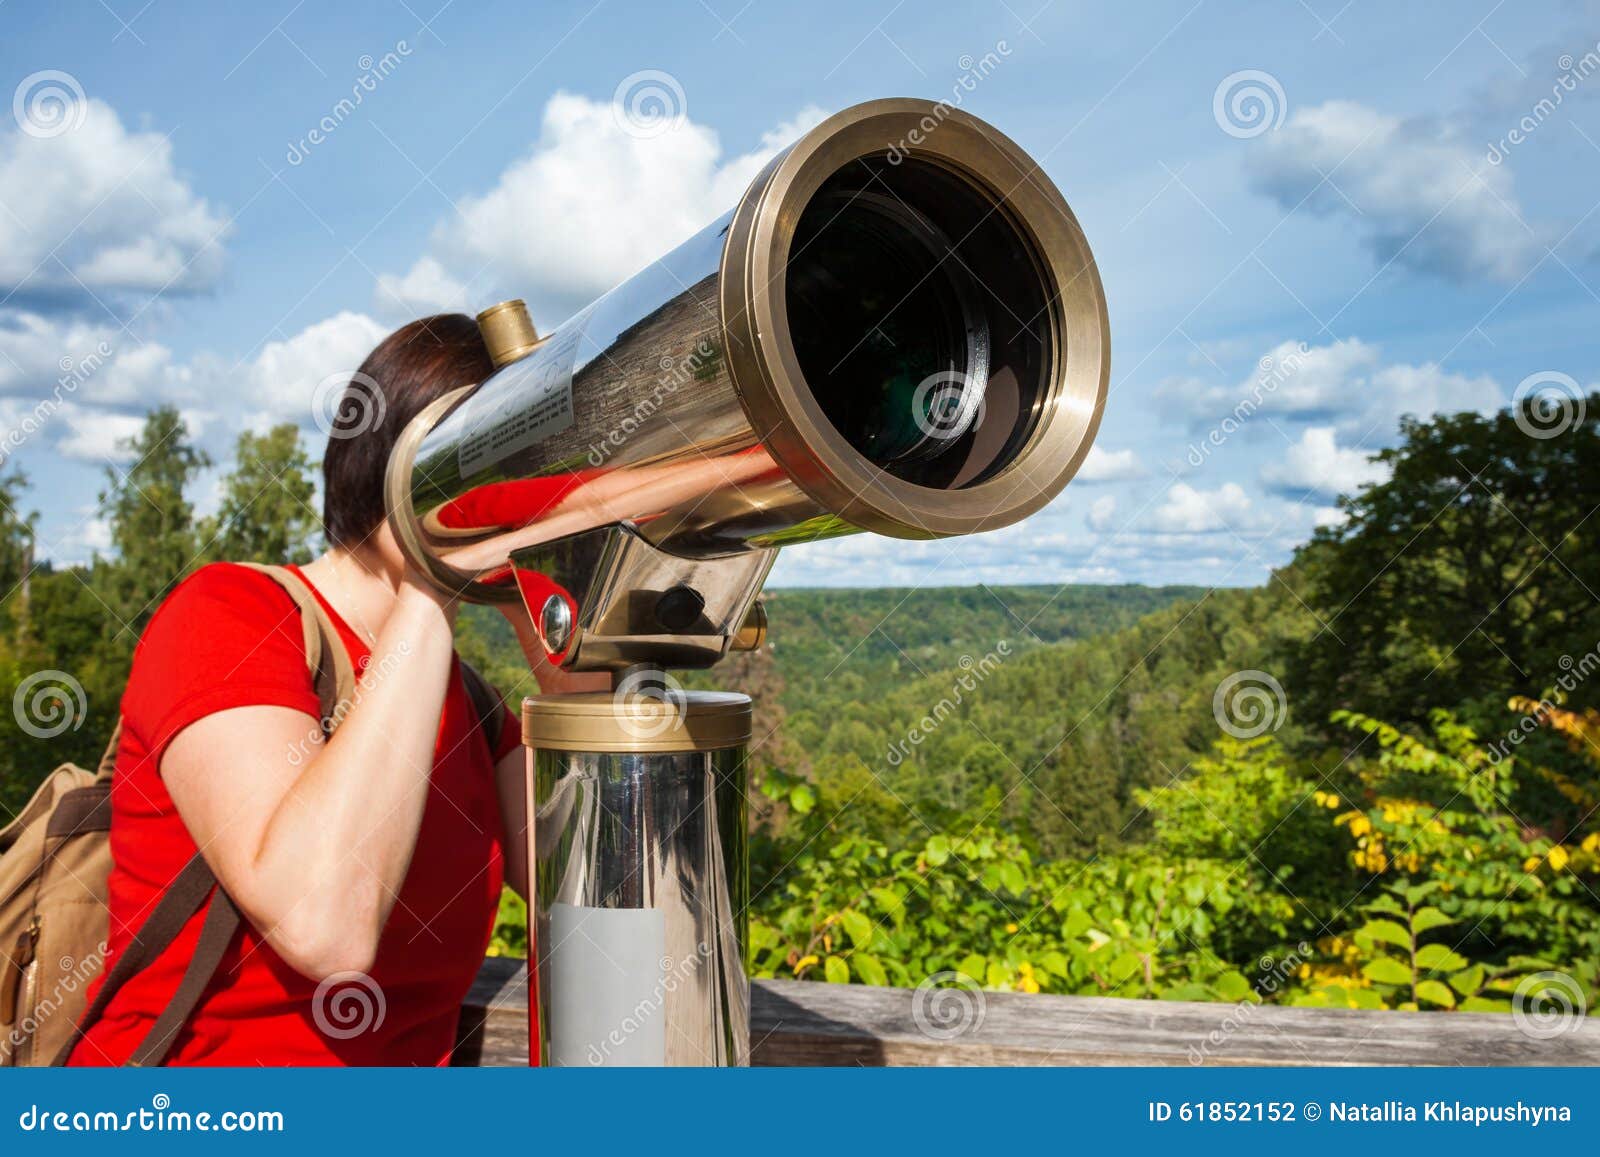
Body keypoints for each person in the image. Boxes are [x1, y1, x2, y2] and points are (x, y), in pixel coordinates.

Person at [67, 315, 601, 1066]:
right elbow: (324, 924)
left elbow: (607, 893)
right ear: (391, 459)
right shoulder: (227, 616)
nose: (500, 492)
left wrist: (555, 599)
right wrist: (435, 574)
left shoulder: (471, 711)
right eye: (472, 459)